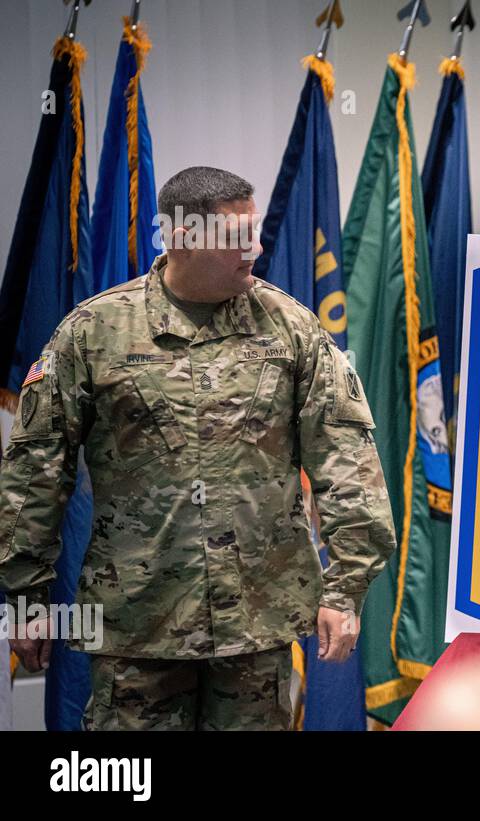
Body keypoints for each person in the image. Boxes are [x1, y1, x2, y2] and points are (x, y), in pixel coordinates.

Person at [0, 166, 397, 730]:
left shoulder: (291, 329)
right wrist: (26, 596)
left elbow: (346, 459)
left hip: (256, 622)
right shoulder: (94, 332)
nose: (256, 250)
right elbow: (35, 470)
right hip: (138, 623)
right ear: (183, 237)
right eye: (238, 237)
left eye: (255, 232)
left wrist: (346, 587)